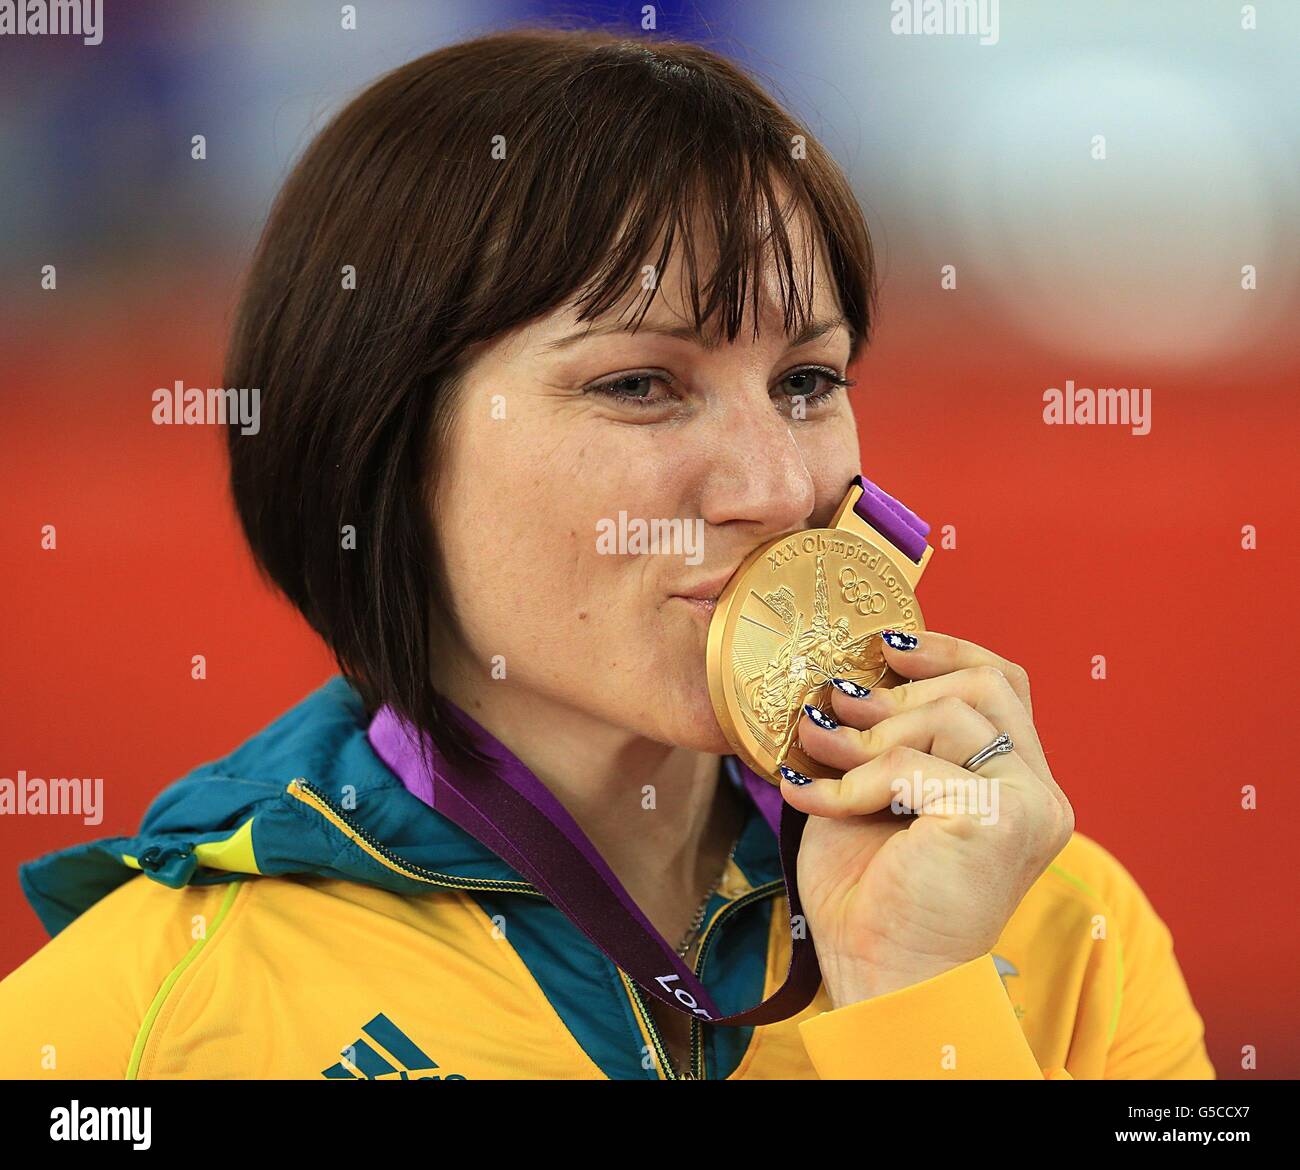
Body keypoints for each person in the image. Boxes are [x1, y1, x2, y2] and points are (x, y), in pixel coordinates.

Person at [0, 27, 1213, 1080]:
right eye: (640, 383)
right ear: (378, 437)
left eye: (806, 381)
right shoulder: (129, 1021)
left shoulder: (1054, 921)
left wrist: (915, 1001)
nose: (777, 486)